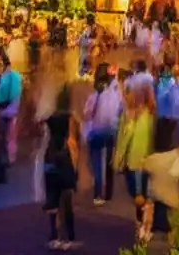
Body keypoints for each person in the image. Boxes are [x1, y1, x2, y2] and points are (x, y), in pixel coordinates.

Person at [115, 85, 156, 244]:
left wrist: (118, 159)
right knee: (139, 196)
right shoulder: (145, 115)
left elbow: (124, 138)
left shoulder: (138, 116)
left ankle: (143, 227)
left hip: (136, 161)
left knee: (139, 196)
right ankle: (144, 225)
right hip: (139, 161)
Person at [42, 86, 79, 250]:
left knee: (52, 199)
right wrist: (75, 167)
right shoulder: (71, 118)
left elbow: (45, 137)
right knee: (67, 201)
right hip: (64, 160)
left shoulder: (50, 117)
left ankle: (53, 236)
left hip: (50, 158)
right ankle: (68, 238)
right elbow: (72, 142)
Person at [83, 67, 122, 205]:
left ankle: (98, 194)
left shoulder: (94, 96)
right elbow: (120, 111)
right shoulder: (116, 95)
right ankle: (109, 193)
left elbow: (87, 115)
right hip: (111, 131)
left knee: (97, 163)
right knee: (109, 161)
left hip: (97, 132)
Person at [0, 53, 22, 165]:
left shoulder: (5, 77)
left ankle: (3, 157)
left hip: (5, 110)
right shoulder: (17, 76)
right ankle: (11, 156)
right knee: (12, 135)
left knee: (2, 135)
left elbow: (1, 95)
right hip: (14, 110)